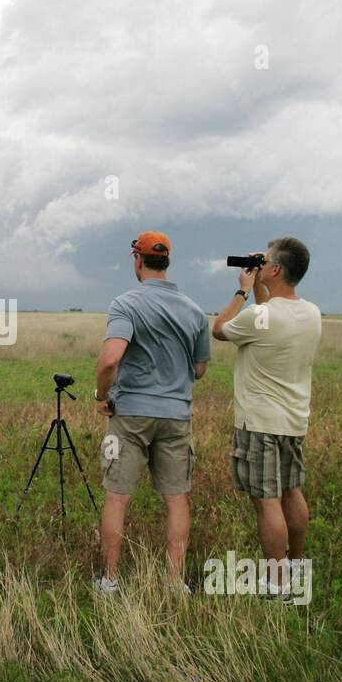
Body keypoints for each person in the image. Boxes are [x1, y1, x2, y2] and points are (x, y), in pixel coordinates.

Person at [93, 230, 210, 595]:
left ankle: (110, 580)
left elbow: (111, 358)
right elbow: (200, 368)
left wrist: (101, 395)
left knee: (118, 496)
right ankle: (175, 583)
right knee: (176, 497)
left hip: (131, 414)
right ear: (167, 261)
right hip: (176, 415)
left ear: (137, 260)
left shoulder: (126, 304)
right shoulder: (193, 309)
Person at [212, 237, 322, 597]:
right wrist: (262, 286)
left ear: (274, 268)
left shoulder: (260, 314)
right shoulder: (311, 312)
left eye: (266, 261)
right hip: (293, 420)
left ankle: (276, 584)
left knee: (267, 501)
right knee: (291, 492)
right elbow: (267, 316)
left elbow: (219, 329)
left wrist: (243, 290)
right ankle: (295, 566)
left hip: (259, 423)